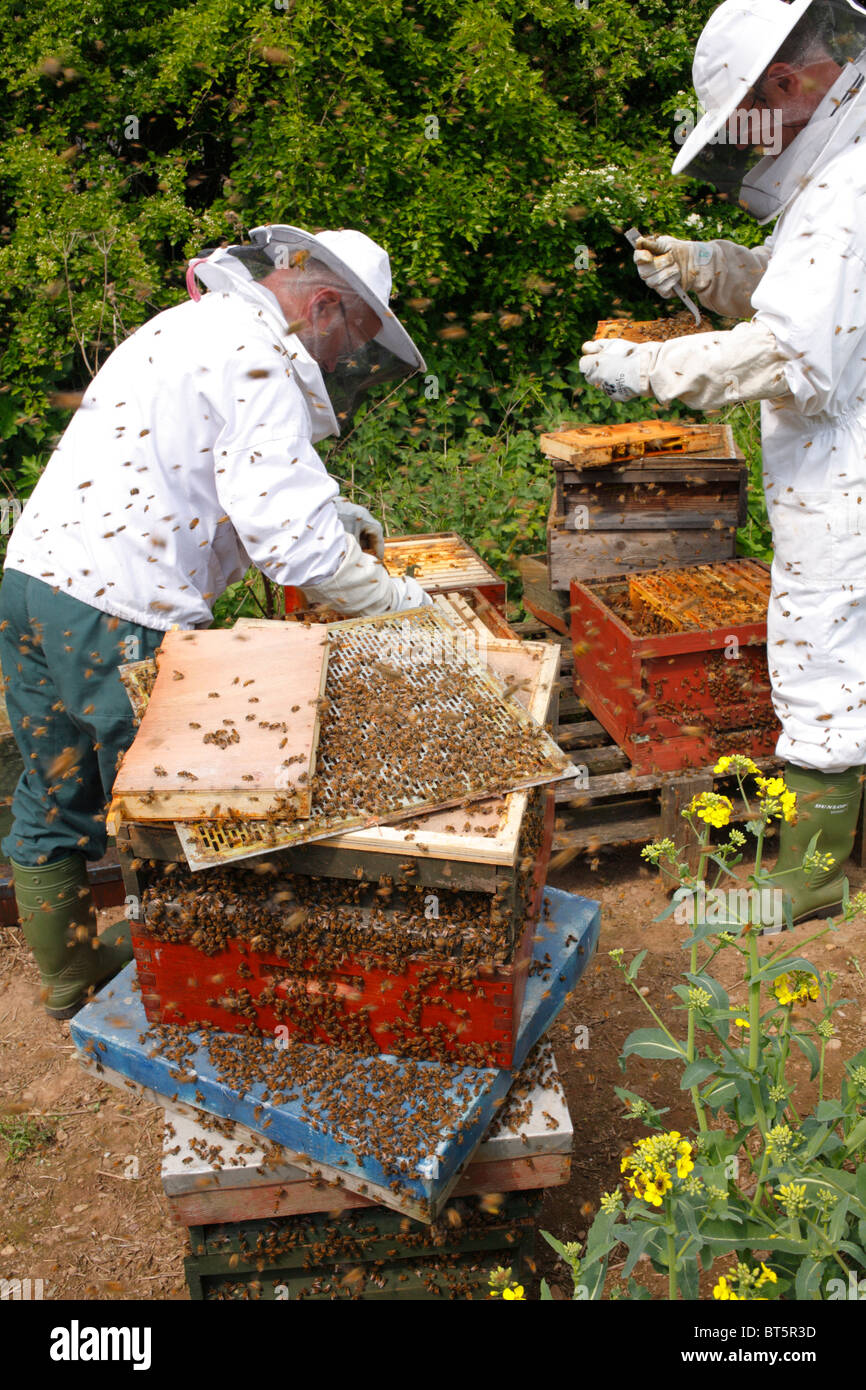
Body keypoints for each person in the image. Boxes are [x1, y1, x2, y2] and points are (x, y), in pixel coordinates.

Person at [0, 224, 430, 1016]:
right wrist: (405, 606)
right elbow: (292, 548)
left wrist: (333, 507)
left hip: (32, 585)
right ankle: (200, 986)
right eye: (355, 340)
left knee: (52, 792)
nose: (344, 362)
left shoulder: (189, 325)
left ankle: (68, 979)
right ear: (325, 305)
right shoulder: (261, 356)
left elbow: (194, 463)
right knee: (185, 809)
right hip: (119, 607)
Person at [579, 0, 866, 924]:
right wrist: (710, 266)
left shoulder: (848, 183)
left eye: (750, 119)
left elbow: (788, 350)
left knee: (822, 651)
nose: (753, 144)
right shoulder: (845, 168)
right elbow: (814, 293)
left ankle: (807, 885)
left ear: (784, 85)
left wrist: (649, 365)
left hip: (845, 475)